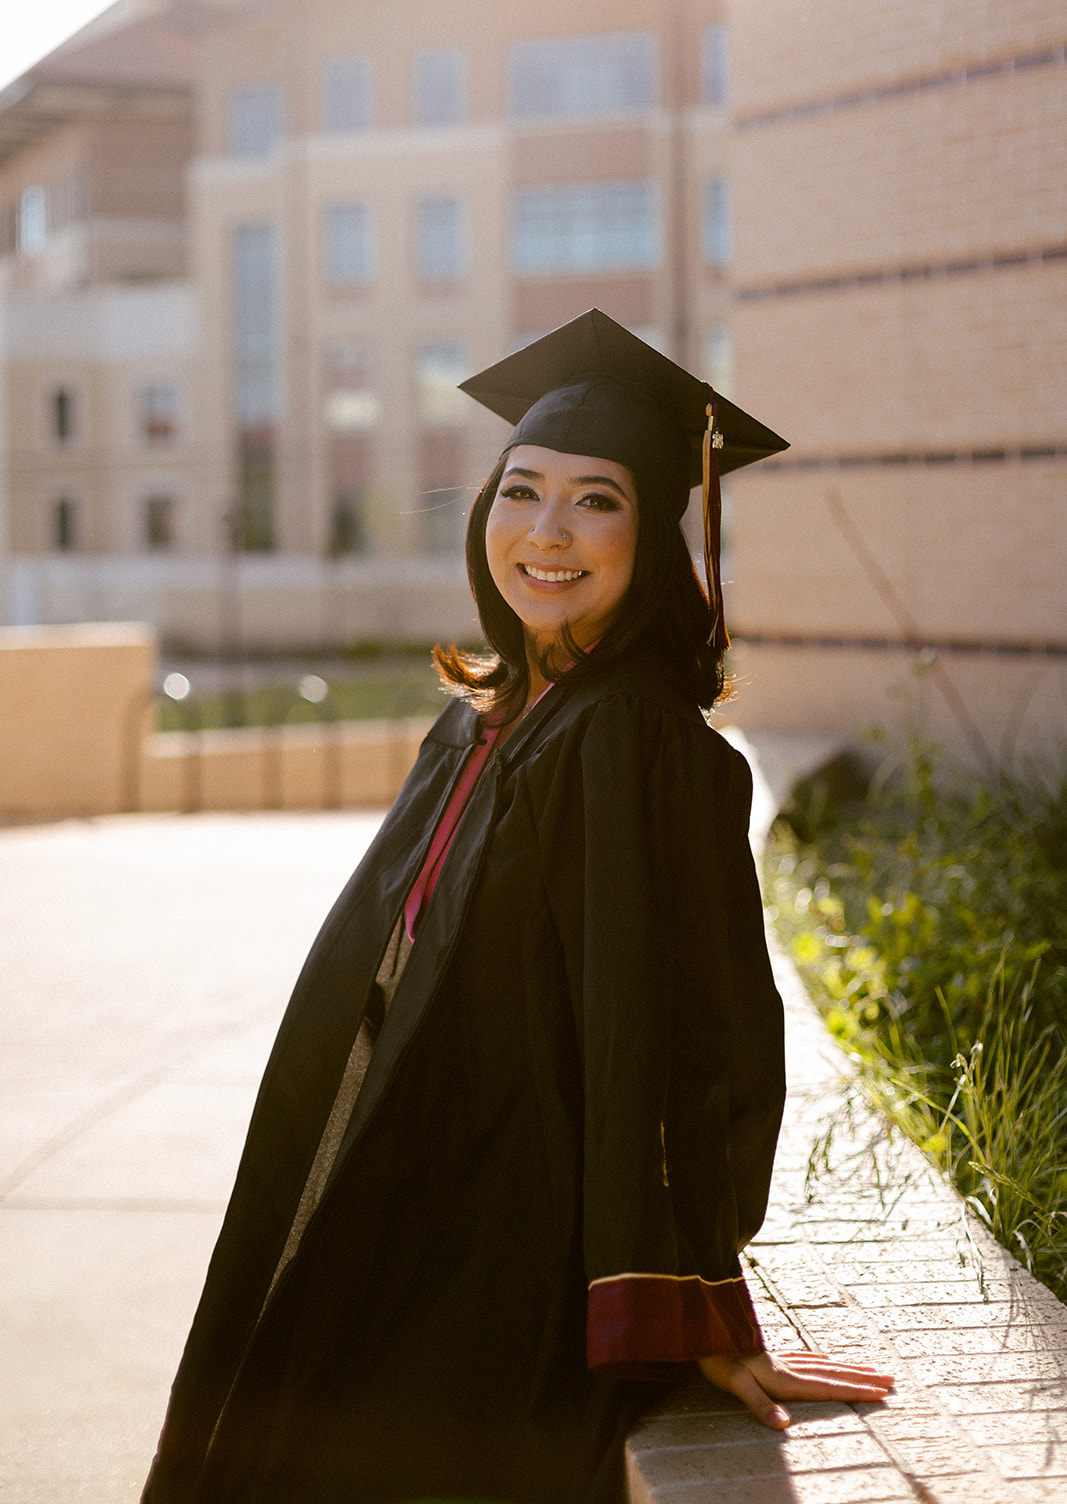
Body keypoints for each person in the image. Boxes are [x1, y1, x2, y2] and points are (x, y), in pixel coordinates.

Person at [142, 312, 892, 1504]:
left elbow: (680, 1034)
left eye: (596, 501)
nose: (546, 532)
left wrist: (691, 1290)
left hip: (500, 1255)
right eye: (519, 491)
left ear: (653, 538)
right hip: (390, 1190)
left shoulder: (633, 740)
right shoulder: (489, 714)